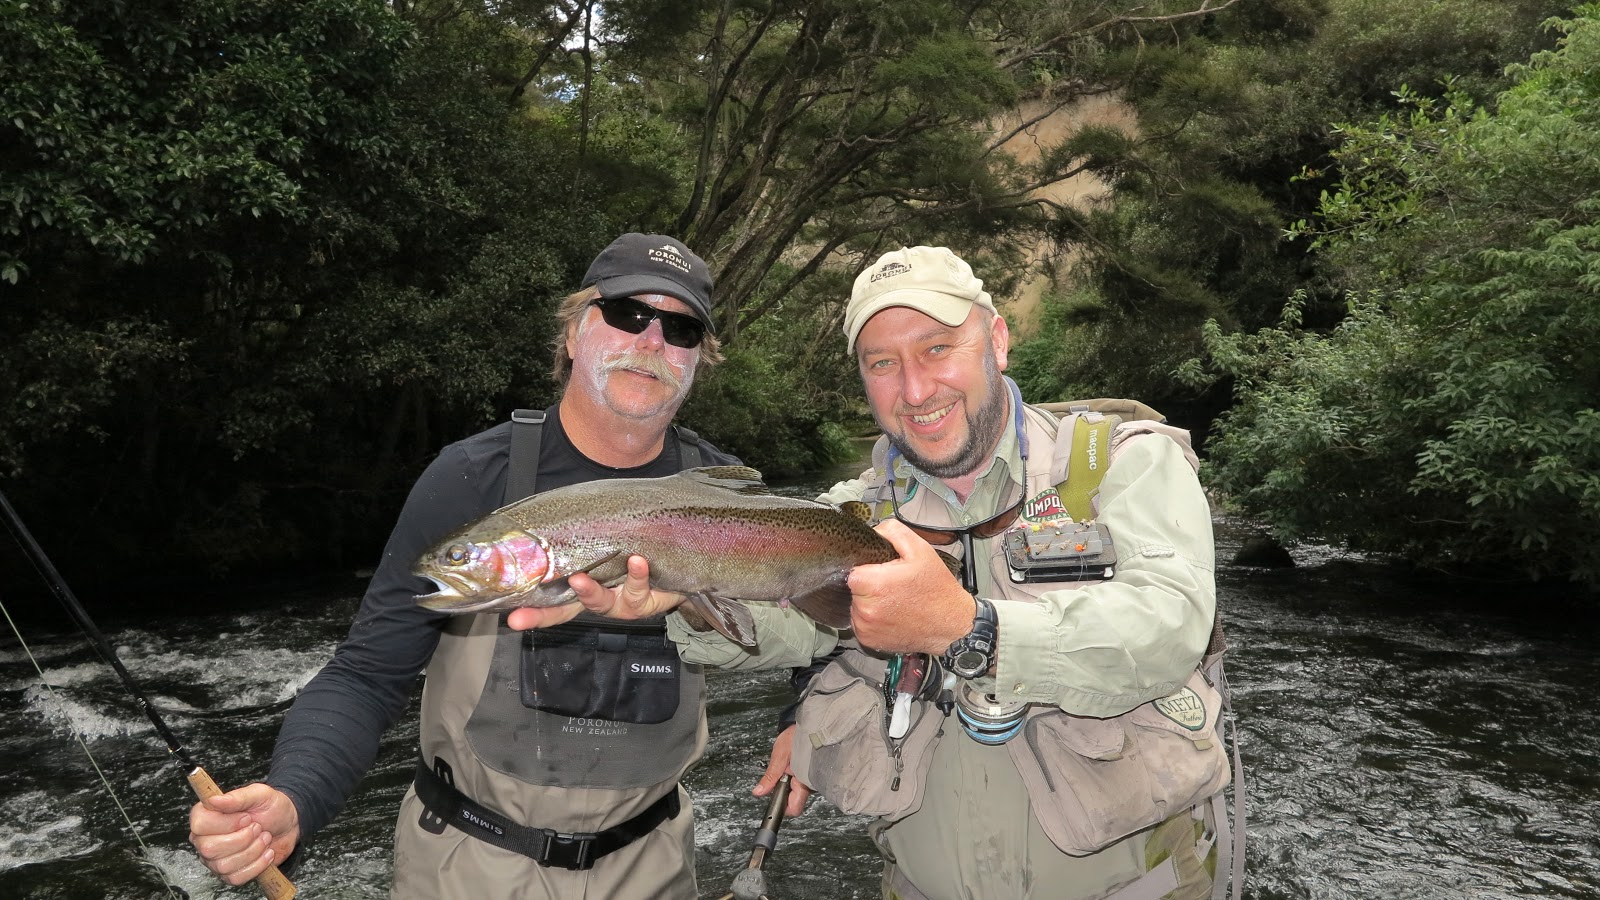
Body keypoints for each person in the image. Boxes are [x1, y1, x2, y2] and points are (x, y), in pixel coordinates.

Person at [187, 233, 831, 899]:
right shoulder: (470, 479)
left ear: (700, 358)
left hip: (655, 865)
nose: (652, 340)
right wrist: (295, 796)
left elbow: (835, 598)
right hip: (469, 866)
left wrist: (802, 715)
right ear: (575, 333)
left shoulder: (726, 496)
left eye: (681, 327)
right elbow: (367, 673)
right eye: (627, 314)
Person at [741, 245, 1234, 899]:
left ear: (996, 341)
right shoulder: (850, 514)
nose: (914, 390)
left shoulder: (1124, 465)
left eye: (937, 348)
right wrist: (656, 597)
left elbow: (1170, 628)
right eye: (882, 363)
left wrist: (971, 628)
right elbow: (761, 618)